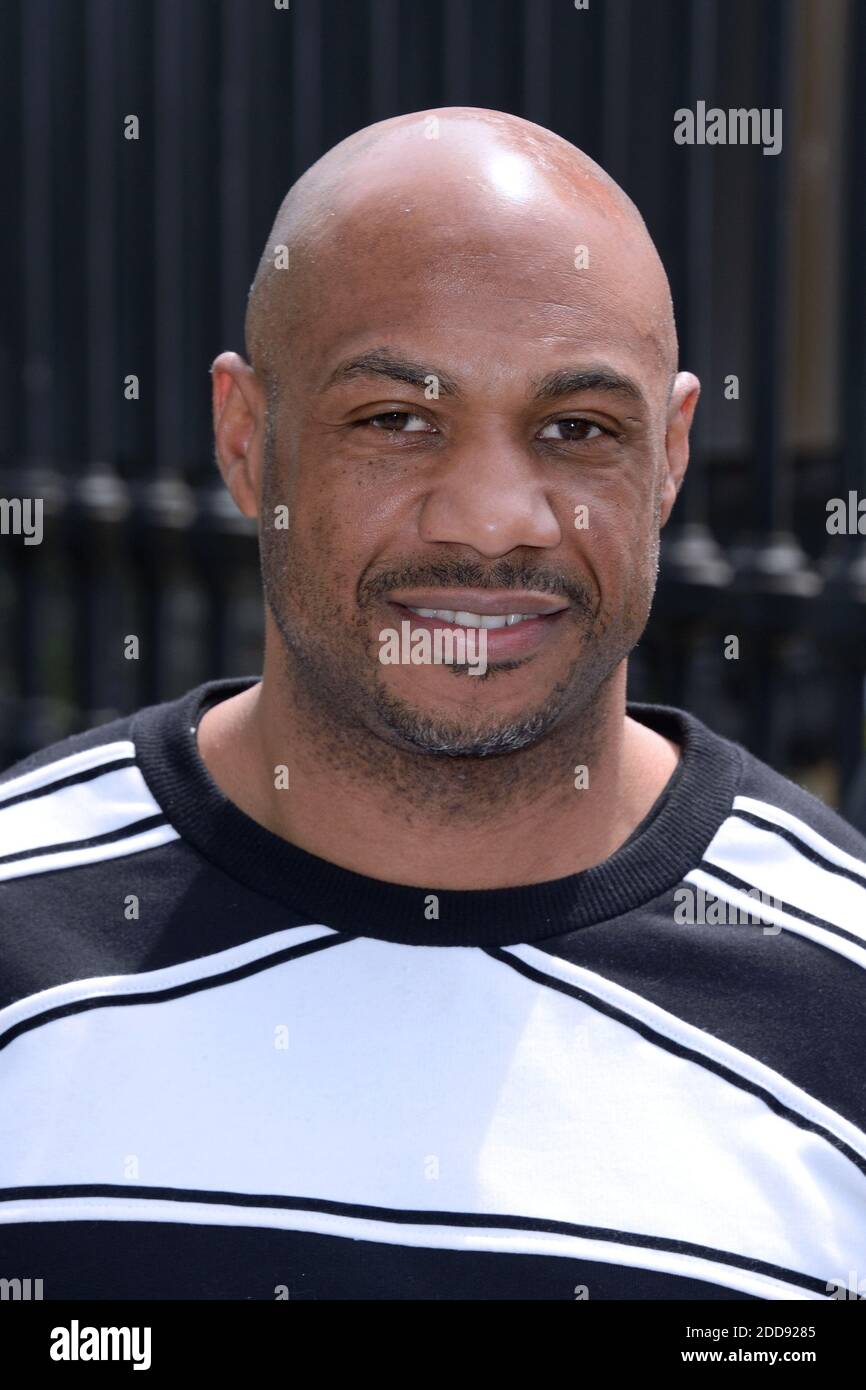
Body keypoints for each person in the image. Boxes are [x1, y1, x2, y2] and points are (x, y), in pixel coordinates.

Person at [2, 107, 865, 1302]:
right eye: (397, 420)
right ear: (247, 438)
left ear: (667, 454)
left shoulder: (842, 990)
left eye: (576, 428)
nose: (490, 518)